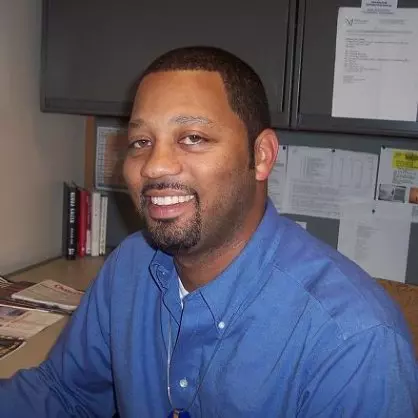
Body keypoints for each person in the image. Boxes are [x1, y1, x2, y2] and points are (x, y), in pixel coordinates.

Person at [0, 46, 417, 418]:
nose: (154, 166)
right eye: (141, 141)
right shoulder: (130, 265)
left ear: (261, 156)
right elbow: (65, 393)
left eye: (193, 137)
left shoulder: (356, 343)